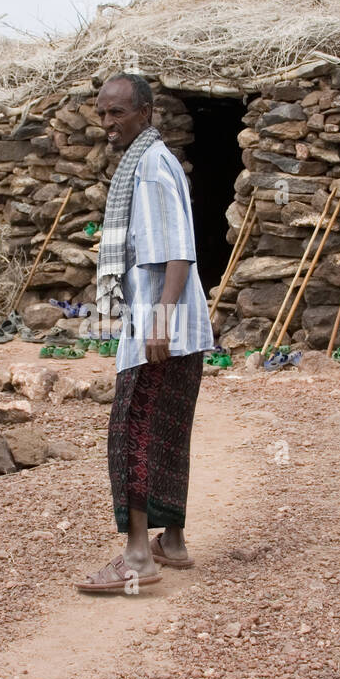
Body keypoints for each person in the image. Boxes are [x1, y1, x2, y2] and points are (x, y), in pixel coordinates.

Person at [77, 73, 214, 593]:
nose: (108, 123)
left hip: (162, 326)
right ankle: (171, 542)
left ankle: (137, 557)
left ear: (146, 112)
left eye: (117, 113)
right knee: (169, 432)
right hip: (179, 326)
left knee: (131, 432)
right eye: (102, 113)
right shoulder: (152, 162)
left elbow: (179, 248)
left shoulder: (152, 166)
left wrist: (158, 320)